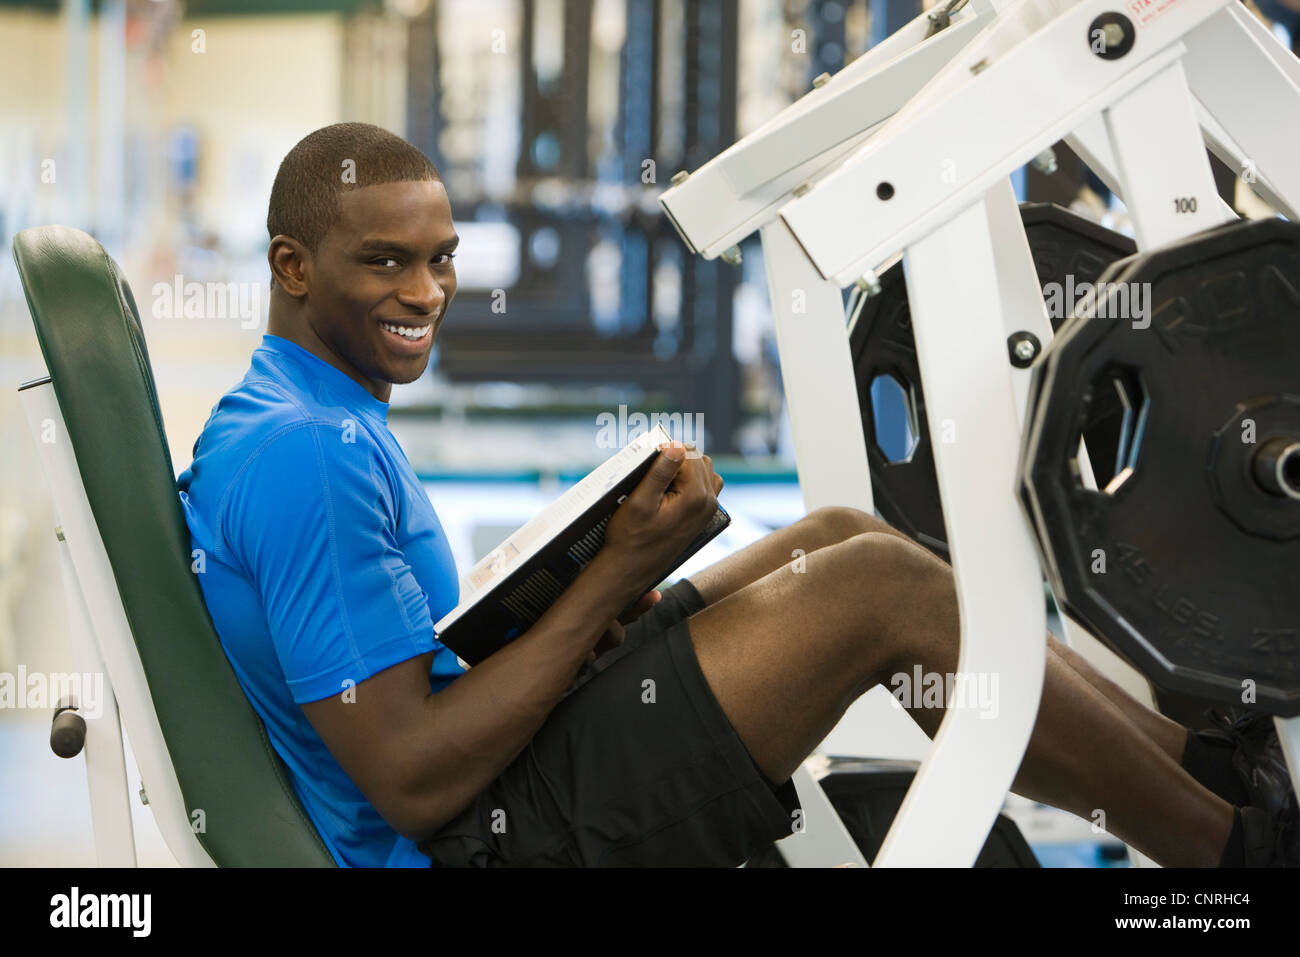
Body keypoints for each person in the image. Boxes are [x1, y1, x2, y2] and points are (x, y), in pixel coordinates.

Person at [177, 122, 1296, 868]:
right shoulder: (305, 458)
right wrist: (609, 575)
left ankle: (1194, 768)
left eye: (441, 259)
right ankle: (1230, 860)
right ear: (292, 268)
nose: (426, 293)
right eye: (385, 263)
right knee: (875, 591)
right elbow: (414, 781)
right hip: (476, 839)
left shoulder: (299, 418)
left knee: (836, 533)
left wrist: (600, 580)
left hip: (489, 784)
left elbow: (400, 683)